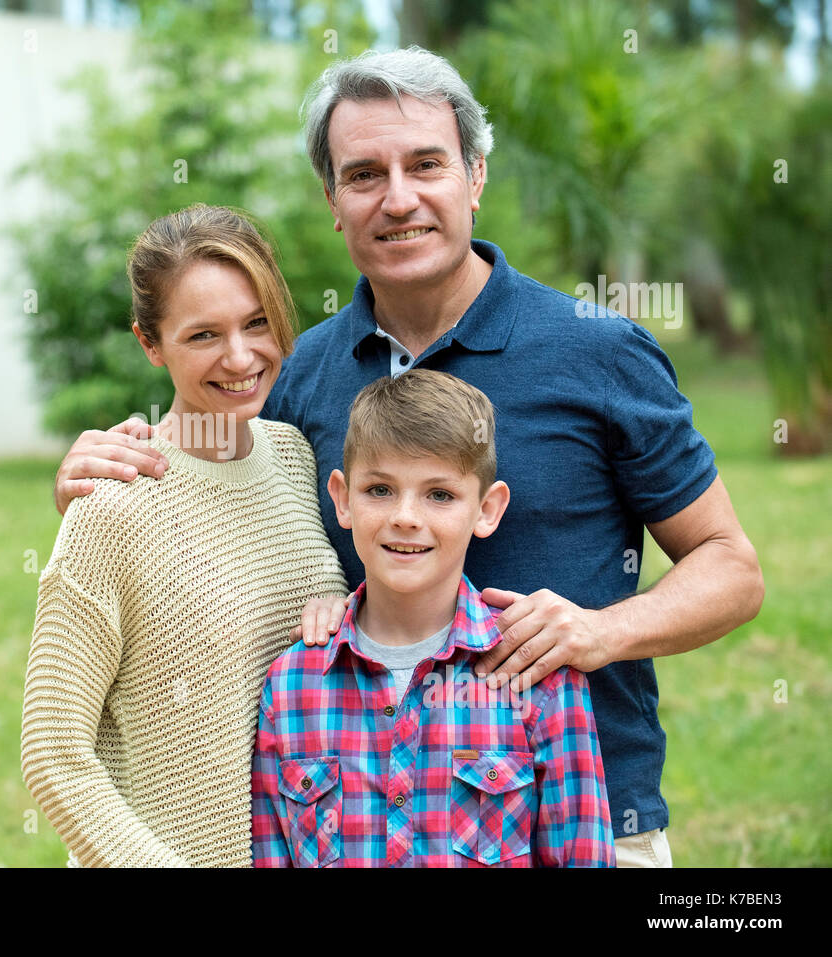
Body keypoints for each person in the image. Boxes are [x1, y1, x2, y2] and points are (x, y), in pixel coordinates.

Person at [49, 47, 763, 867]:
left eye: (426, 163)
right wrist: (99, 473)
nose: (399, 199)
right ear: (332, 201)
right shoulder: (302, 373)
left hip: (586, 815)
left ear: (475, 176)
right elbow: (216, 489)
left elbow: (732, 567)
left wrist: (598, 631)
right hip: (355, 822)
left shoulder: (598, 352)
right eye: (363, 174)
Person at [20, 203, 347, 867]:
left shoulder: (294, 457)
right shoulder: (113, 502)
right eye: (203, 335)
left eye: (257, 322)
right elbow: (54, 752)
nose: (240, 355)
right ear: (150, 343)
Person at [251, 370, 615, 866]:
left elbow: (582, 855)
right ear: (341, 498)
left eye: (439, 495)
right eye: (379, 489)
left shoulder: (538, 671)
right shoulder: (292, 685)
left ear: (487, 509)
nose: (405, 516)